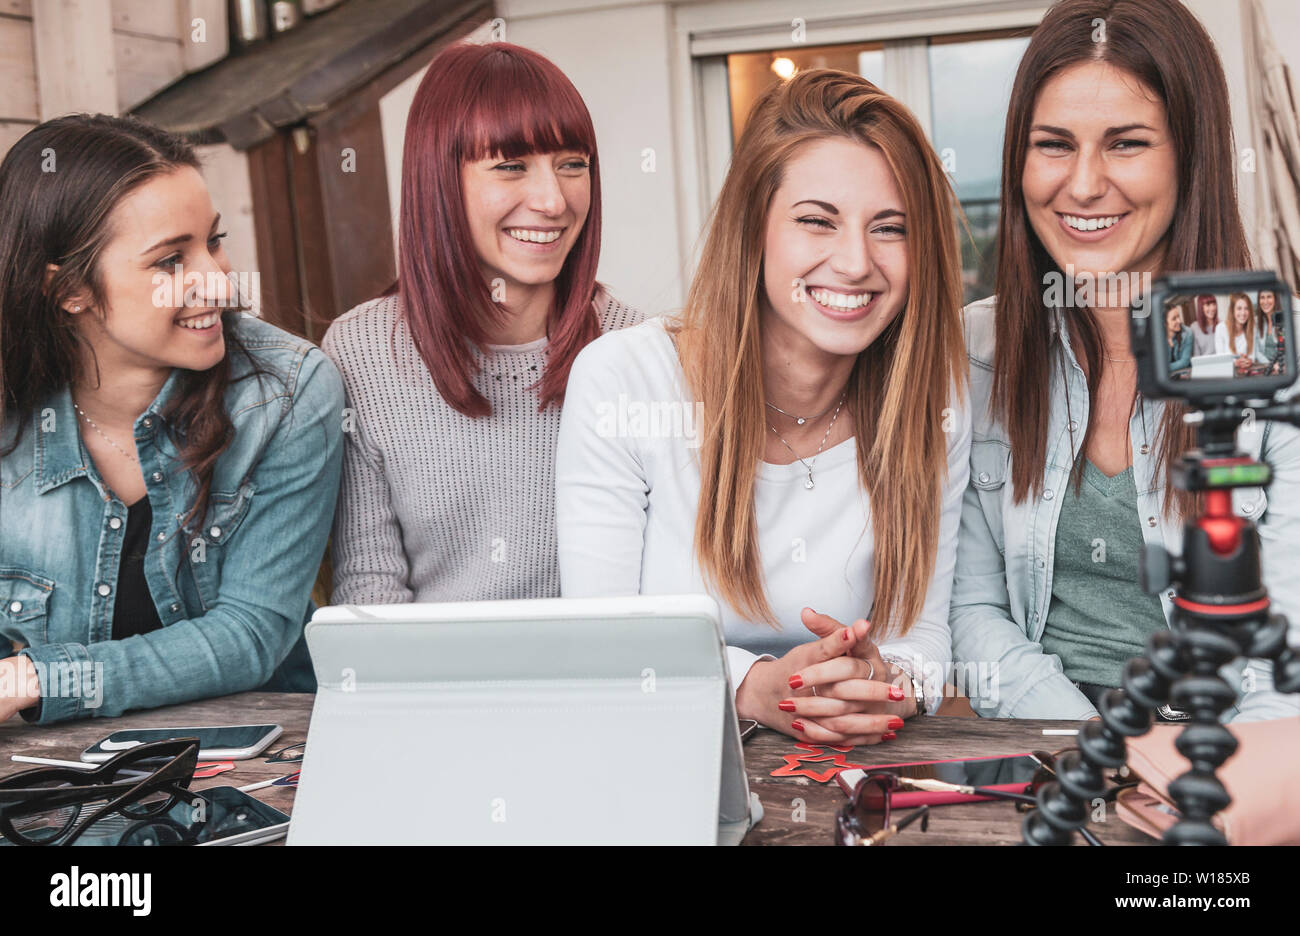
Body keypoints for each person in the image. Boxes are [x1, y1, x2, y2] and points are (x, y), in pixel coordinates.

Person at [557, 69, 971, 744]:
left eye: (890, 228)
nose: (856, 262)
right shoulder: (624, 381)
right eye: (816, 222)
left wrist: (884, 680)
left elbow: (921, 631)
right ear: (755, 231)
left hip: (847, 771)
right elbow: (603, 647)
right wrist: (751, 687)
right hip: (660, 755)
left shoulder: (933, 394)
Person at [951, 0, 1300, 722]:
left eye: (1126, 143)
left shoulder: (1275, 356)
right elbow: (974, 610)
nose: (1081, 185)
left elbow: (1287, 643)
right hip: (1049, 744)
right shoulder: (974, 353)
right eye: (1053, 144)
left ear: (1191, 154)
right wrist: (1099, 751)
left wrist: (1200, 775)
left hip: (1229, 752)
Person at [0, 114, 343, 723]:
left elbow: (250, 634)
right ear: (67, 291)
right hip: (41, 779)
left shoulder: (286, 393)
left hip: (251, 768)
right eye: (169, 262)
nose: (218, 282)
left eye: (213, 241)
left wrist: (40, 678)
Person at [322, 42, 642, 605]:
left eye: (573, 165)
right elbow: (370, 587)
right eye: (511, 167)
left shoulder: (637, 348)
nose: (553, 200)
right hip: (433, 683)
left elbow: (656, 589)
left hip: (602, 681)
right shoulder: (361, 350)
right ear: (438, 180)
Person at [1214, 293, 1269, 367]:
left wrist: (1248, 360)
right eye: (1239, 308)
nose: (1243, 313)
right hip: (1228, 373)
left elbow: (1252, 356)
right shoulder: (1221, 328)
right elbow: (1220, 359)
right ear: (1232, 310)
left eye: (1246, 308)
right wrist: (1235, 362)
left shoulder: (1252, 328)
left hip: (1246, 372)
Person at [1166, 299, 1193, 373]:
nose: (1179, 321)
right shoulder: (1158, 338)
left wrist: (1164, 368)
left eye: (1178, 316)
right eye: (1174, 319)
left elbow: (1184, 362)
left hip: (1184, 375)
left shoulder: (1187, 333)